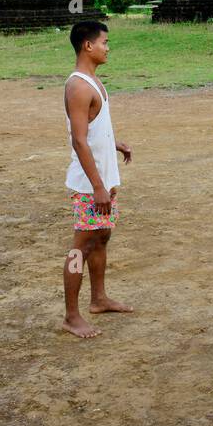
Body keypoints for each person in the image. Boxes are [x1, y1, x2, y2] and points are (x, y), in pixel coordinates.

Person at [62, 20, 134, 339]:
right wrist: (97, 187)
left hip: (103, 177)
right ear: (87, 46)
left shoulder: (94, 81)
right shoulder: (78, 85)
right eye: (104, 42)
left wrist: (113, 143)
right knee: (82, 245)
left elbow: (93, 128)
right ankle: (71, 316)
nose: (108, 47)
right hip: (91, 183)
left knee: (101, 236)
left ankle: (99, 299)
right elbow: (79, 140)